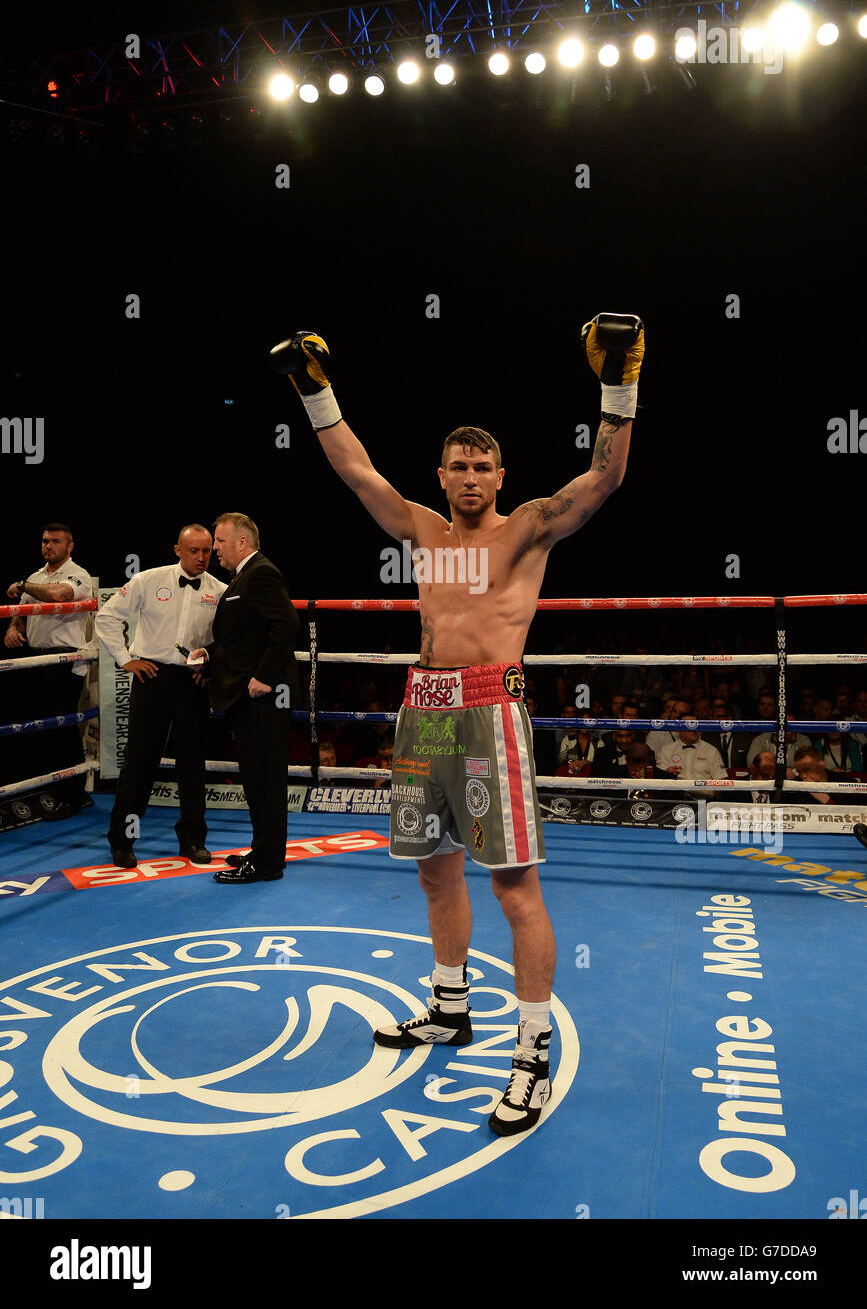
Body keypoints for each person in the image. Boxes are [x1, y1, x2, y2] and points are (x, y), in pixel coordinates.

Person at [275, 312, 644, 1136]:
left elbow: (604, 479)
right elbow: (354, 470)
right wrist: (314, 389)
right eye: (458, 466)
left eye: (482, 465)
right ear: (440, 476)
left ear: (500, 474)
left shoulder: (526, 529)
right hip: (424, 711)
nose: (470, 476)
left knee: (514, 887)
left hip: (488, 710)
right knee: (434, 870)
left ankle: (531, 1057)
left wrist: (618, 384)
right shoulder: (423, 529)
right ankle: (448, 1006)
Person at [94, 525, 223, 868]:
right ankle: (123, 841)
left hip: (193, 683)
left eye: (207, 551)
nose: (201, 558)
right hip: (152, 677)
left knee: (193, 765)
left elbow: (228, 639)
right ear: (177, 550)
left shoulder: (221, 591)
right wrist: (125, 659)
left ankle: (193, 840)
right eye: (193, 550)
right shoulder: (148, 581)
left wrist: (208, 664)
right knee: (139, 763)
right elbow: (106, 617)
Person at [190, 513, 300, 883]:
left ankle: (267, 863)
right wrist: (208, 654)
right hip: (248, 696)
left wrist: (263, 678)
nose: (215, 549)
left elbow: (286, 626)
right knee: (256, 778)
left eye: (220, 541)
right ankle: (264, 851)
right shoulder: (243, 577)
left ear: (242, 543)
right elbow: (242, 638)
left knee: (265, 779)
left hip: (264, 698)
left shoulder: (261, 574)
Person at [4, 522, 93, 808]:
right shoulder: (36, 577)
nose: (47, 546)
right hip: (36, 658)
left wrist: (21, 585)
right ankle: (46, 789)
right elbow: (22, 609)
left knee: (62, 726)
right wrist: (13, 628)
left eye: (55, 541)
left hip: (64, 659)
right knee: (38, 726)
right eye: (44, 541)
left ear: (70, 547)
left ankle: (74, 795)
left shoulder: (79, 575)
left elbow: (60, 595)